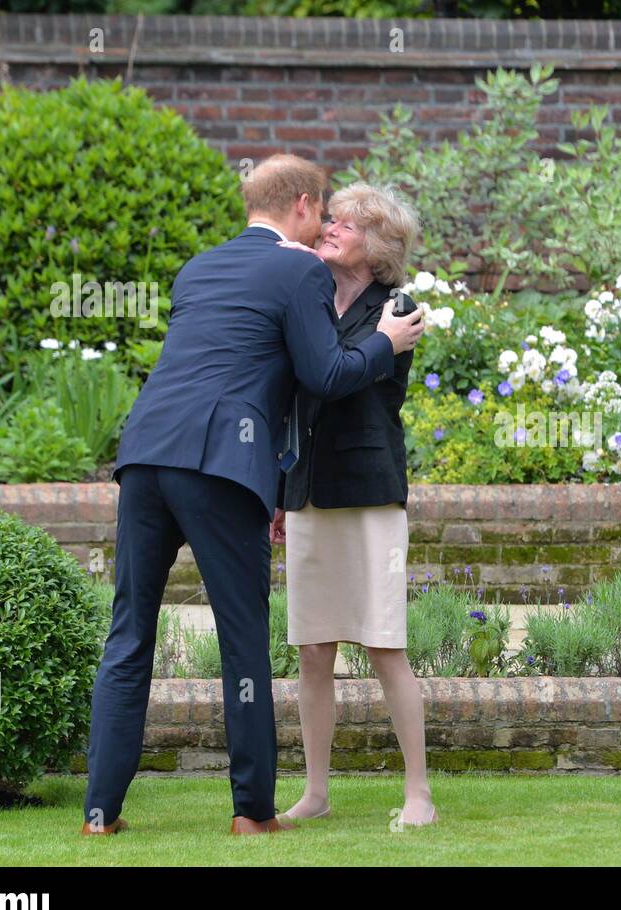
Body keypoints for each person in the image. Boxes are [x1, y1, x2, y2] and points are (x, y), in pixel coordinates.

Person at [82, 155, 424, 836]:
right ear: (301, 203)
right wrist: (384, 343)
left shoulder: (199, 267)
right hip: (217, 466)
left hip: (144, 455)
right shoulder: (297, 269)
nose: (324, 224)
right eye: (322, 210)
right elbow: (325, 373)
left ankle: (100, 815)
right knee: (243, 642)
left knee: (127, 638)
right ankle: (253, 814)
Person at [270, 182, 438, 827]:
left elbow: (336, 378)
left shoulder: (399, 308)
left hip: (369, 494)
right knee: (314, 649)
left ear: (380, 245)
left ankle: (418, 793)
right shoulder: (311, 299)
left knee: (384, 644)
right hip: (310, 491)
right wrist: (286, 493)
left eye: (348, 223)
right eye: (331, 219)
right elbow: (298, 402)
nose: (331, 227)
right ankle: (315, 793)